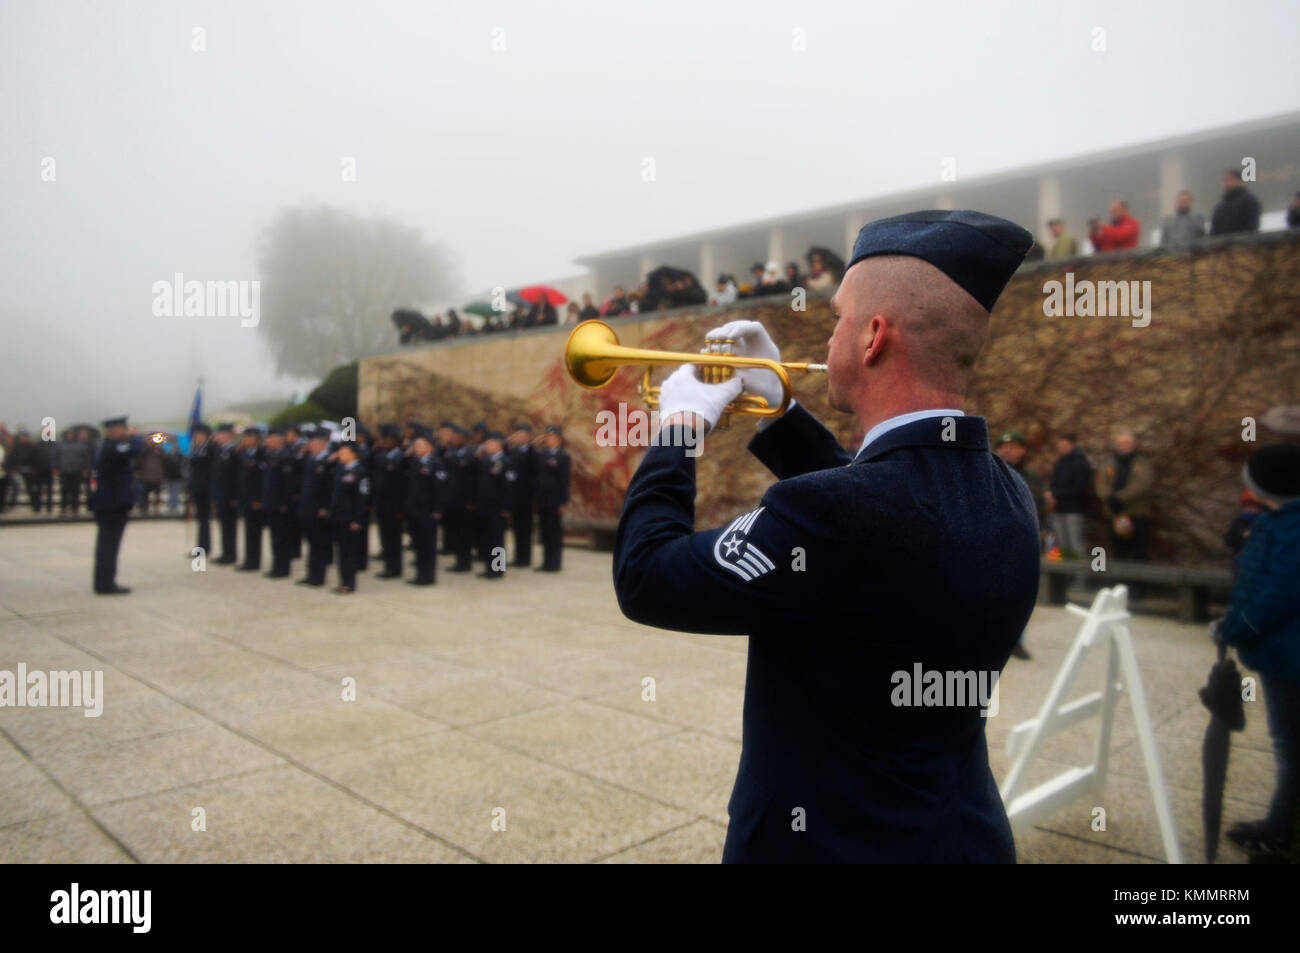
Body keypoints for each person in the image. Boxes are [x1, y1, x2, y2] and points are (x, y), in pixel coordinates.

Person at [611, 209, 1039, 862]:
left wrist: (679, 425)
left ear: (872, 338)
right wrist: (780, 412)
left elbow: (645, 573)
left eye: (839, 318)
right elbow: (885, 507)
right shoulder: (1006, 491)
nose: (831, 335)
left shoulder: (838, 514)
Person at [1218, 444, 1300, 859]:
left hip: (1290, 658)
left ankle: (1281, 831)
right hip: (1285, 652)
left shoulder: (1289, 527)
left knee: (1290, 744)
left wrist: (1237, 628)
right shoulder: (1277, 521)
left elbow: (1279, 593)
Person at [91, 416, 142, 594]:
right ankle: (105, 584)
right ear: (115, 430)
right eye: (124, 429)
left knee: (107, 545)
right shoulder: (113, 446)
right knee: (109, 545)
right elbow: (135, 449)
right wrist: (136, 436)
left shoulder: (107, 445)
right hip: (113, 504)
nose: (126, 432)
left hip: (108, 503)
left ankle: (103, 582)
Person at [1096, 430, 1154, 562]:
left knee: (1138, 552)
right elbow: (1100, 483)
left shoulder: (1142, 464)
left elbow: (1142, 484)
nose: (1123, 446)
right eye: (1120, 443)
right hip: (1114, 514)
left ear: (1134, 444)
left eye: (1126, 443)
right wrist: (1109, 497)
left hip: (1136, 514)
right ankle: (1120, 582)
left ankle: (1138, 582)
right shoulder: (1109, 464)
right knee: (1118, 552)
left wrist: (1119, 497)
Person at [328, 440, 369, 593]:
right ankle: (343, 581)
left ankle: (349, 583)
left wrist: (358, 519)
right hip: (338, 517)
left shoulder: (360, 471)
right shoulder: (340, 469)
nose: (340, 454)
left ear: (354, 455)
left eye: (344, 452)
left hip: (350, 519)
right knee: (340, 552)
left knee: (349, 552)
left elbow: (362, 498)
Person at [296, 427, 334, 587]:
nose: (310, 445)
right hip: (307, 507)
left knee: (319, 544)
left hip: (319, 509)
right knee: (311, 543)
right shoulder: (310, 459)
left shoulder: (329, 461)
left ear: (322, 443)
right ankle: (311, 574)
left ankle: (318, 577)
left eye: (312, 442)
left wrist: (325, 506)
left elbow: (330, 487)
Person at [404, 428, 441, 585]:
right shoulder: (413, 462)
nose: (416, 448)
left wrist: (438, 509)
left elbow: (440, 489)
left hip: (428, 511)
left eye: (420, 445)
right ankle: (420, 574)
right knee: (418, 544)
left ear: (430, 447)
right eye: (415, 445)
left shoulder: (436, 464)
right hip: (415, 510)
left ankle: (428, 575)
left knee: (428, 545)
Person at [1046, 433, 1091, 557]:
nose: (1062, 449)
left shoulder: (1080, 463)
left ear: (1073, 445)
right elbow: (1054, 482)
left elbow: (1079, 489)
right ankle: (1066, 575)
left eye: (1064, 446)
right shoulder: (1060, 463)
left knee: (1076, 544)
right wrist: (1050, 494)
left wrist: (1056, 493)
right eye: (1060, 447)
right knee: (1062, 545)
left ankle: (1079, 575)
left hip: (1074, 509)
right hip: (1059, 508)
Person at [371, 423, 408, 578]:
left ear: (394, 441)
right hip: (382, 504)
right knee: (385, 537)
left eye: (386, 440)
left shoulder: (402, 457)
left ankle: (395, 568)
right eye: (382, 440)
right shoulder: (380, 456)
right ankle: (388, 566)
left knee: (394, 539)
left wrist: (401, 509)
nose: (383, 443)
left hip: (395, 506)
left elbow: (403, 486)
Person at [535, 425, 570, 572]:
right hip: (543, 499)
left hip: (555, 500)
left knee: (554, 532)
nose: (549, 440)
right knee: (545, 531)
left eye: (552, 437)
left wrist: (563, 501)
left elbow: (564, 480)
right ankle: (546, 562)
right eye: (547, 437)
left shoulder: (563, 456)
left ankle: (554, 563)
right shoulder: (542, 454)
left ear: (559, 439)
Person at [261, 428, 295, 577]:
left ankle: (283, 568)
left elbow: (288, 483)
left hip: (281, 504)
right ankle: (277, 566)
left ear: (279, 439)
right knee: (274, 536)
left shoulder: (285, 456)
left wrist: (284, 502)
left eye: (270, 438)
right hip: (271, 502)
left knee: (282, 537)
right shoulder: (271, 455)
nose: (267, 441)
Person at [476, 431, 509, 579]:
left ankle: (498, 569)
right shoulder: (485, 460)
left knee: (497, 539)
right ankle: (489, 567)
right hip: (485, 506)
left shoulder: (506, 462)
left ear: (498, 444)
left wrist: (506, 507)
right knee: (487, 537)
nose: (486, 446)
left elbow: (509, 487)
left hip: (498, 507)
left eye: (489, 443)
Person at [505, 423, 537, 567]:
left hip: (526, 497)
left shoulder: (533, 452)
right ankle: (518, 557)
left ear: (529, 437)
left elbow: (535, 475)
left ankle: (525, 558)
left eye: (521, 435)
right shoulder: (514, 451)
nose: (518, 437)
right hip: (515, 497)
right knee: (516, 529)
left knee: (525, 529)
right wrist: (508, 442)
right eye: (517, 434)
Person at [236, 426, 267, 571]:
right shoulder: (244, 454)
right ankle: (249, 559)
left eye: (249, 437)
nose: (246, 440)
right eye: (245, 437)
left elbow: (261, 480)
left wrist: (258, 499)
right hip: (245, 497)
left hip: (255, 499)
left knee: (255, 531)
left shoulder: (262, 454)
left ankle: (254, 561)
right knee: (248, 530)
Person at [211, 423, 240, 564]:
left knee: (230, 525)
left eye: (220, 434)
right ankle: (225, 552)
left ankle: (231, 554)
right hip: (221, 493)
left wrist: (235, 496)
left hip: (230, 495)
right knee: (223, 524)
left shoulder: (234, 451)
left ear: (228, 435)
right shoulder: (219, 450)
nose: (217, 437)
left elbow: (236, 477)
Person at [1211, 169, 1262, 237]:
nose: (1227, 183)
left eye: (1230, 179)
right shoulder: (1220, 207)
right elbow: (1214, 231)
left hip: (1244, 245)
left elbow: (1252, 227)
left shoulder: (1250, 201)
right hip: (1222, 245)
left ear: (1240, 181)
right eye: (1224, 180)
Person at [188, 423, 213, 557]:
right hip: (197, 488)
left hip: (205, 489)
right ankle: (201, 546)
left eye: (200, 435)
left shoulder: (209, 449)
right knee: (201, 519)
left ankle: (204, 548)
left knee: (204, 519)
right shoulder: (197, 448)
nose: (197, 437)